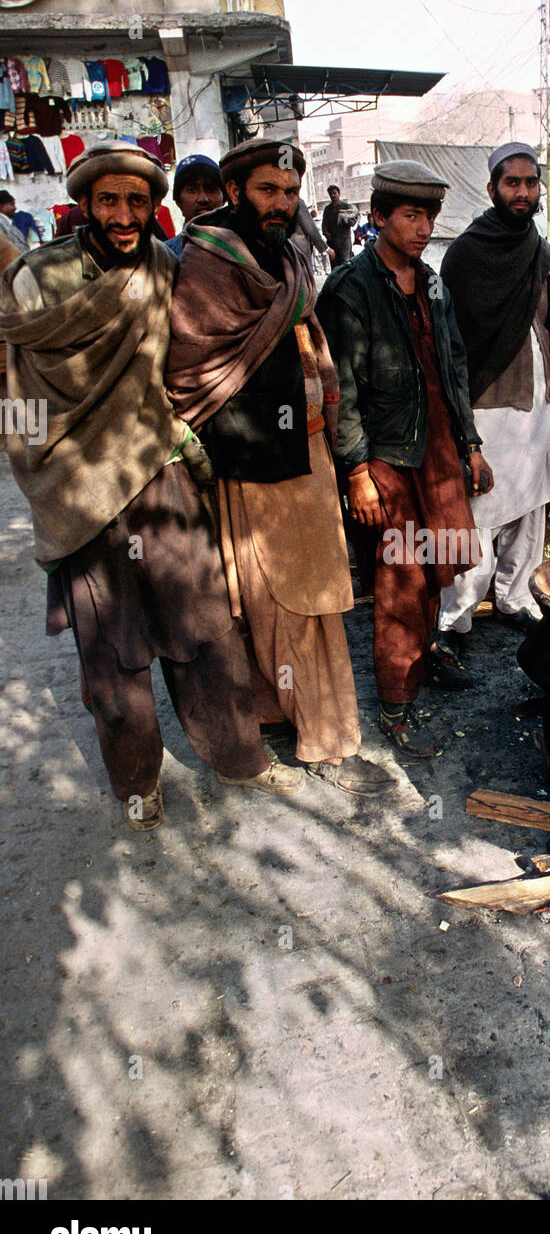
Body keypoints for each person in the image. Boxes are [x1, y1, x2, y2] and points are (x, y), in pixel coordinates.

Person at [0, 141, 306, 829]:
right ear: (84, 203)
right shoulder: (38, 278)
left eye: (136, 201)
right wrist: (44, 476)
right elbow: (20, 391)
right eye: (108, 200)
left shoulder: (164, 267)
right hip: (81, 492)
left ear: (152, 207)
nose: (123, 214)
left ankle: (240, 759)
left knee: (207, 628)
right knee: (114, 653)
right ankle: (139, 785)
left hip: (160, 474)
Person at [166, 139, 392, 796]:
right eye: (268, 190)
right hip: (250, 455)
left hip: (307, 447)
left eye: (290, 193)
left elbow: (310, 342)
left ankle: (286, 714)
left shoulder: (291, 253)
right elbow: (189, 369)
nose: (282, 204)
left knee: (302, 597)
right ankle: (321, 735)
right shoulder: (205, 263)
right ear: (235, 191)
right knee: (281, 599)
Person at [317, 159, 490, 758]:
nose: (423, 229)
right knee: (400, 579)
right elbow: (338, 390)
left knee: (438, 561)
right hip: (387, 458)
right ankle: (395, 702)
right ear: (378, 217)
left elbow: (455, 366)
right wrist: (357, 472)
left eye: (429, 217)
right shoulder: (349, 289)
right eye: (411, 216)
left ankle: (428, 651)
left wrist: (470, 445)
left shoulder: (433, 282)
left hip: (438, 449)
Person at [436, 141, 550, 644]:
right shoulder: (467, 253)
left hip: (538, 399)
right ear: (492, 188)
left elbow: (549, 310)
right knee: (480, 510)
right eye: (512, 183)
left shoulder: (538, 246)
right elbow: (452, 340)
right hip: (488, 401)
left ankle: (516, 596)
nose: (522, 192)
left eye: (530, 183)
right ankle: (458, 613)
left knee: (531, 504)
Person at [165, 154, 225, 258]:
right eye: (192, 190)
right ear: (178, 200)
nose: (203, 199)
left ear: (224, 199)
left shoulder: (244, 247)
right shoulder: (165, 256)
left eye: (211, 190)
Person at [321, 185, 357, 264]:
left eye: (334, 193)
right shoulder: (327, 209)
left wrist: (345, 218)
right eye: (330, 194)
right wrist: (325, 232)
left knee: (345, 265)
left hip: (344, 243)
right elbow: (324, 224)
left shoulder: (346, 207)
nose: (332, 195)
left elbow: (353, 222)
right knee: (334, 266)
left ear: (339, 194)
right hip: (332, 242)